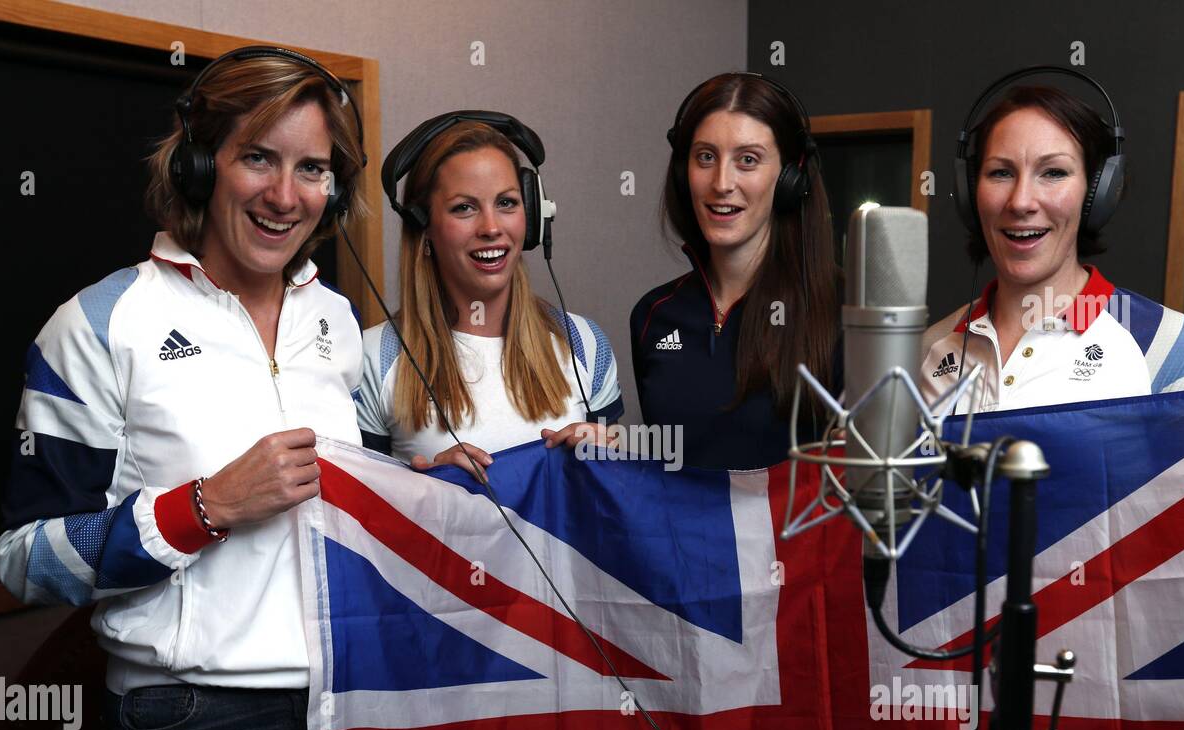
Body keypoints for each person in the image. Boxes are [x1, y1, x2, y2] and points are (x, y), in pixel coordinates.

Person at [0, 47, 369, 730]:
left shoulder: (337, 323)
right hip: (197, 729)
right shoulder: (100, 324)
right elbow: (24, 560)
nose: (284, 195)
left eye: (311, 168)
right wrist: (206, 506)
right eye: (258, 158)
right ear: (201, 164)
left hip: (350, 711)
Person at [923, 81, 1184, 414]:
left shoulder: (1167, 343)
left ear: (1097, 195)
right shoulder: (931, 346)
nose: (1021, 201)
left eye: (1053, 172)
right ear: (970, 195)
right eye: (1000, 172)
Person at [357, 114, 621, 476]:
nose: (492, 228)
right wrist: (424, 489)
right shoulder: (372, 359)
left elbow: (621, 503)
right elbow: (361, 521)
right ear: (425, 227)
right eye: (464, 207)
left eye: (507, 203)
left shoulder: (585, 344)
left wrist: (613, 457)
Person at [631, 72, 839, 471]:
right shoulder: (653, 314)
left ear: (790, 179)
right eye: (706, 157)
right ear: (682, 170)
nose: (721, 183)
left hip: (795, 533)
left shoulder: (846, 312)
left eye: (748, 160)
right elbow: (666, 461)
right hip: (682, 536)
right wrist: (615, 447)